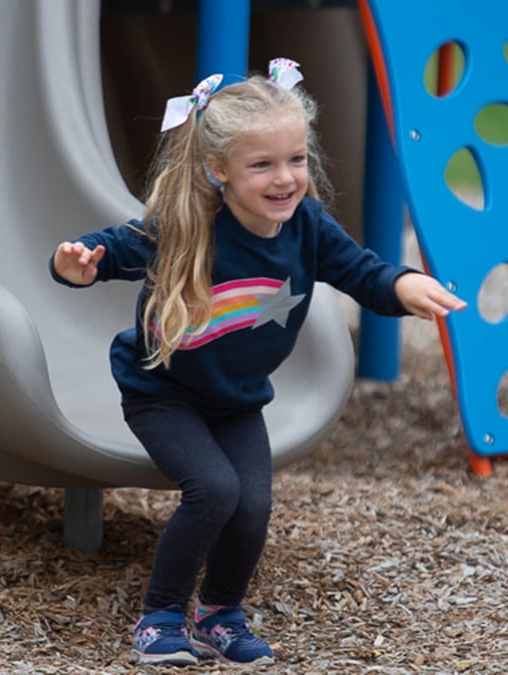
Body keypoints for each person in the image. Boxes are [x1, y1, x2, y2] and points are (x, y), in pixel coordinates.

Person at [50, 58, 467, 667]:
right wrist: (76, 264)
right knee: (214, 489)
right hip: (161, 393)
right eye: (263, 165)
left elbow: (361, 271)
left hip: (237, 397)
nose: (286, 178)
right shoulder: (191, 225)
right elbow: (115, 249)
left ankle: (220, 613)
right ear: (219, 169)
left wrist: (403, 284)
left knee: (252, 504)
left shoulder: (309, 227)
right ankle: (160, 616)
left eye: (296, 160)